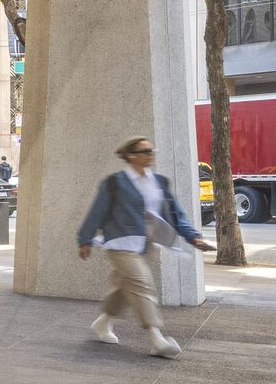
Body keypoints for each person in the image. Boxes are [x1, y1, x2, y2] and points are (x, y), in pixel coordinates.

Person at [77, 136, 212, 358]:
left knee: (123, 285)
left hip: (147, 240)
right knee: (141, 283)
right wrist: (85, 240)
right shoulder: (115, 182)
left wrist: (193, 237)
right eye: (145, 151)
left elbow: (175, 213)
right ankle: (156, 339)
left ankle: (103, 323)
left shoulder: (158, 181)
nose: (151, 154)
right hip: (120, 242)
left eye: (151, 150)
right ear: (131, 156)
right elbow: (97, 211)